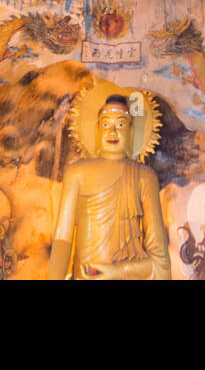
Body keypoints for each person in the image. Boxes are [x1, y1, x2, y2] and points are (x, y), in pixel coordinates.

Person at [50, 84, 171, 279]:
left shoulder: (144, 177)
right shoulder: (76, 173)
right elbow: (62, 240)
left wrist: (120, 272)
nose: (112, 132)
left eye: (121, 125)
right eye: (106, 124)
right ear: (97, 129)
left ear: (131, 133)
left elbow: (160, 262)